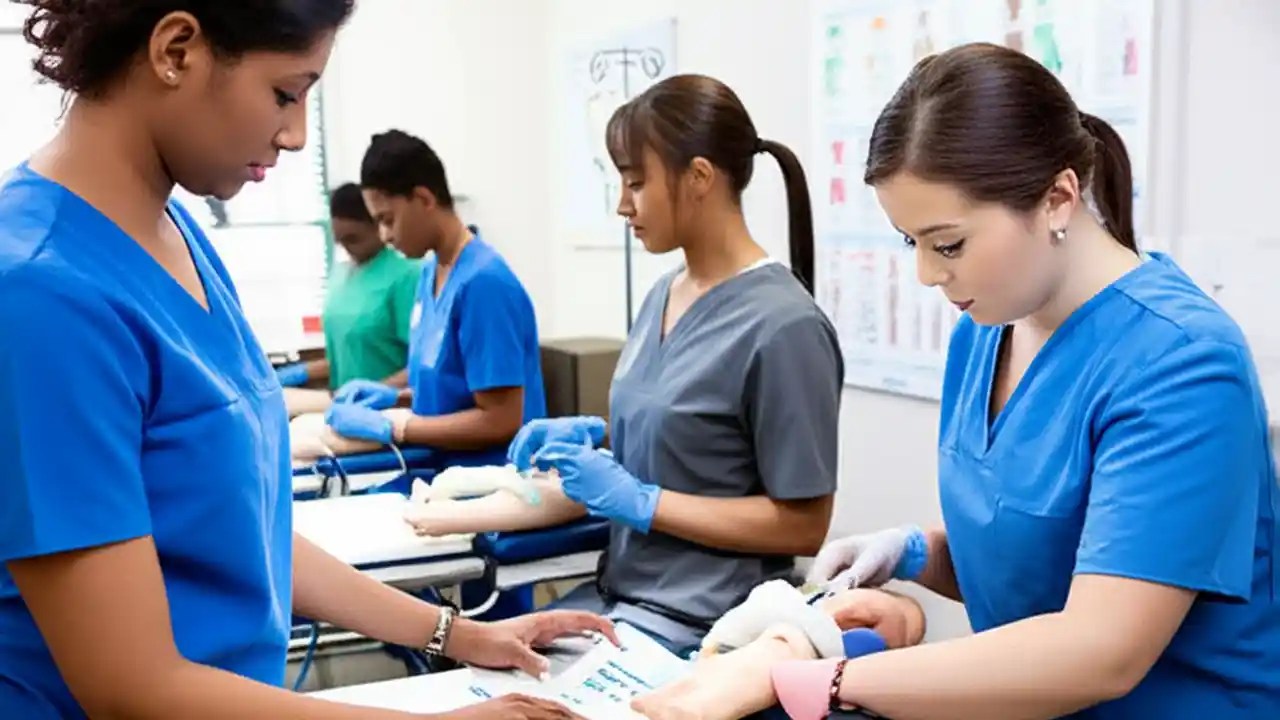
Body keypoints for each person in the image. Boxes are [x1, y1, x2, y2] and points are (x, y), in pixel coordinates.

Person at [0, 3, 612, 719]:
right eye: (285, 93)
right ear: (175, 50)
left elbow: (248, 536)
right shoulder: (39, 293)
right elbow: (133, 687)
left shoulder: (174, 233)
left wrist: (460, 633)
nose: (294, 134)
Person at [791, 42, 1280, 719]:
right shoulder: (985, 331)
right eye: (912, 244)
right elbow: (1033, 560)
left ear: (1057, 198)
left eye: (949, 244)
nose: (927, 275)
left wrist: (832, 682)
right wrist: (913, 551)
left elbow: (1098, 651)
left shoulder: (1182, 363)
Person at [509, 74, 844, 655]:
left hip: (708, 621)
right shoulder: (664, 294)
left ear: (699, 178)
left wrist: (642, 501)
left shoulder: (785, 326)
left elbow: (804, 524)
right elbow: (701, 443)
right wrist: (605, 440)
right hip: (622, 596)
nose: (622, 204)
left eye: (636, 183)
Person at [322, 130, 547, 470]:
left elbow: (500, 419)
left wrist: (398, 426)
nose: (384, 235)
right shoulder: (430, 273)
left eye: (387, 219)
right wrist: (393, 398)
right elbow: (452, 390)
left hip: (494, 481)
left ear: (424, 199)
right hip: (441, 468)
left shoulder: (483, 283)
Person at [276, 182, 419, 394]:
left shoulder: (407, 275)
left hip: (394, 408)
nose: (347, 249)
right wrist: (299, 373)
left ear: (377, 225)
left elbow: (425, 364)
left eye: (353, 239)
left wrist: (377, 392)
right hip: (345, 405)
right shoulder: (341, 275)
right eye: (339, 241)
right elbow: (346, 357)